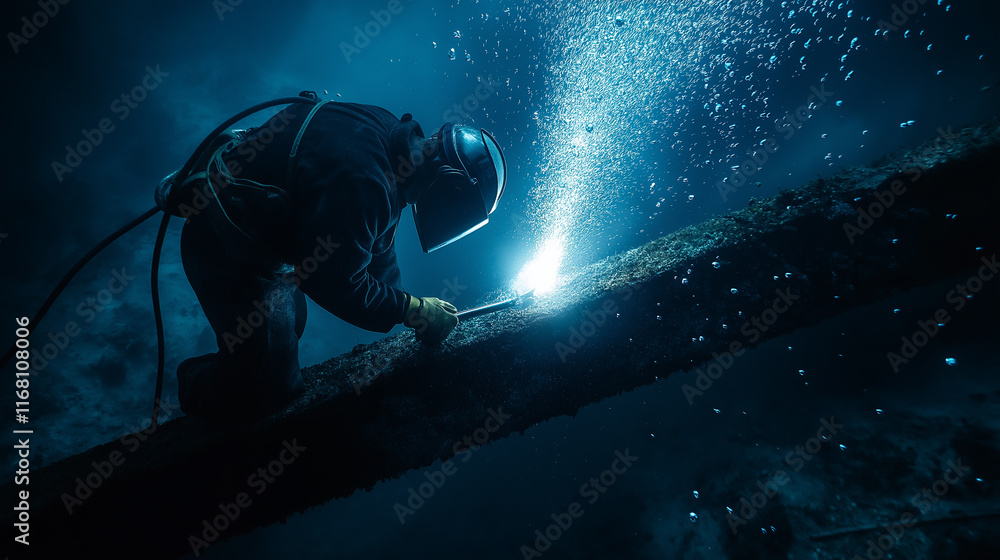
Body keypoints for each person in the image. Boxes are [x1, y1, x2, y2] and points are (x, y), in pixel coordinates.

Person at [154, 97, 507, 417]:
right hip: (221, 244)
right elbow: (333, 283)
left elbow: (376, 236)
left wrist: (409, 306)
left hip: (265, 239)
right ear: (450, 185)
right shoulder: (365, 181)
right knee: (271, 387)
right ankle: (195, 384)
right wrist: (410, 309)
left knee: (292, 323)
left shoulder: (389, 139)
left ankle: (241, 359)